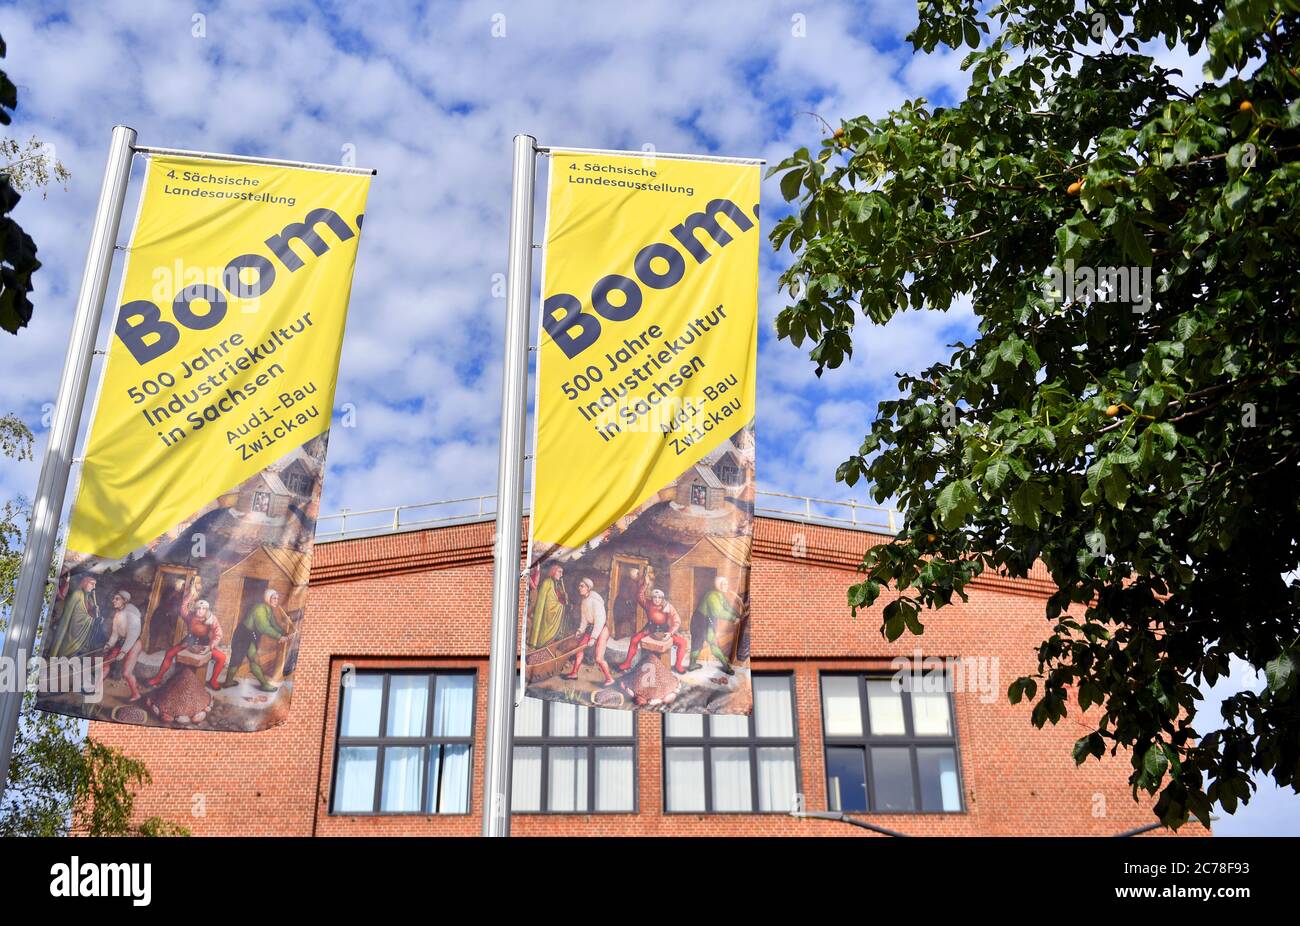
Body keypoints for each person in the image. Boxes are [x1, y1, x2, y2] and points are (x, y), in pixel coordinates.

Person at [146, 598, 226, 691]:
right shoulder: (190, 616)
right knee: (170, 653)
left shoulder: (212, 618)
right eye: (198, 608)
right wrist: (190, 595)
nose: (200, 611)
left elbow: (218, 633)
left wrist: (211, 645)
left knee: (222, 657)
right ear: (195, 609)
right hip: (188, 642)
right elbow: (183, 608)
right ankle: (158, 678)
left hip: (204, 644)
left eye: (203, 609)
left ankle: (213, 681)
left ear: (207, 610)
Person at [617, 570, 688, 674]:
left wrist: (670, 632)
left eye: (659, 598)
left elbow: (677, 621)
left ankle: (678, 665)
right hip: (650, 628)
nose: (657, 599)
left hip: (664, 630)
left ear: (663, 598)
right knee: (634, 639)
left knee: (682, 642)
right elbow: (639, 596)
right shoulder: (648, 604)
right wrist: (645, 584)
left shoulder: (668, 606)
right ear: (652, 597)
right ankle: (627, 663)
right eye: (655, 597)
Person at [223, 588, 288, 692]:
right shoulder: (260, 609)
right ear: (268, 599)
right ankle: (228, 682)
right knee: (237, 659)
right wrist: (279, 637)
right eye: (274, 598)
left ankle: (264, 684)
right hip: (242, 635)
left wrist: (284, 633)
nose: (277, 600)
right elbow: (264, 627)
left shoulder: (269, 610)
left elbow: (273, 624)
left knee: (253, 658)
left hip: (250, 635)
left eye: (277, 598)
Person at [687, 576, 741, 675]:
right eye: (723, 584)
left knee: (712, 643)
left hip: (708, 620)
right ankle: (692, 664)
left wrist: (738, 614)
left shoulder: (720, 595)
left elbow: (727, 607)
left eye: (726, 583)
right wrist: (733, 618)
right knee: (697, 643)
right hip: (700, 621)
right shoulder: (712, 595)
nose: (726, 585)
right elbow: (718, 612)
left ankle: (725, 666)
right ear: (718, 585)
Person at [564, 577, 613, 685]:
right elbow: (584, 620)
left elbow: (599, 621)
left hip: (601, 630)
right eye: (579, 586)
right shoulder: (584, 601)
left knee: (599, 658)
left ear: (588, 588)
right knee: (579, 650)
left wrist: (593, 637)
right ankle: (574, 673)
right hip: (591, 628)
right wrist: (580, 630)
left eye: (582, 586)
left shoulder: (595, 602)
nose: (579, 588)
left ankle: (610, 678)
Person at [103, 590, 144, 701]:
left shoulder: (132, 613)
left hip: (134, 643)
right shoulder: (117, 614)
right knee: (105, 663)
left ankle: (136, 694)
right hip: (122, 643)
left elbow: (133, 634)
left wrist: (123, 652)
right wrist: (109, 644)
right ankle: (95, 688)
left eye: (117, 599)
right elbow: (115, 634)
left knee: (126, 673)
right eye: (114, 598)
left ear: (124, 601)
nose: (113, 601)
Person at [46, 574, 100, 659]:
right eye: (92, 583)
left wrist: (95, 611)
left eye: (95, 585)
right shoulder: (77, 594)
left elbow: (93, 616)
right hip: (71, 630)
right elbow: (68, 614)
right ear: (85, 583)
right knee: (63, 649)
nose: (93, 587)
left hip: (80, 635)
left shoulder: (89, 599)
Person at [527, 563, 567, 649]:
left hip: (552, 616)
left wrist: (563, 600)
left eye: (562, 572)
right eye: (559, 572)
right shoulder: (547, 583)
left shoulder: (557, 584)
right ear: (553, 571)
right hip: (546, 615)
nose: (561, 575)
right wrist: (559, 605)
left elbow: (558, 598)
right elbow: (547, 602)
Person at [611, 566, 641, 638]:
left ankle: (620, 635)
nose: (637, 576)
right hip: (624, 603)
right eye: (637, 574)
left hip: (621, 602)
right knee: (628, 619)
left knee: (623, 619)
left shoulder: (629, 582)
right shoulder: (632, 583)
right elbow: (631, 595)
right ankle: (622, 635)